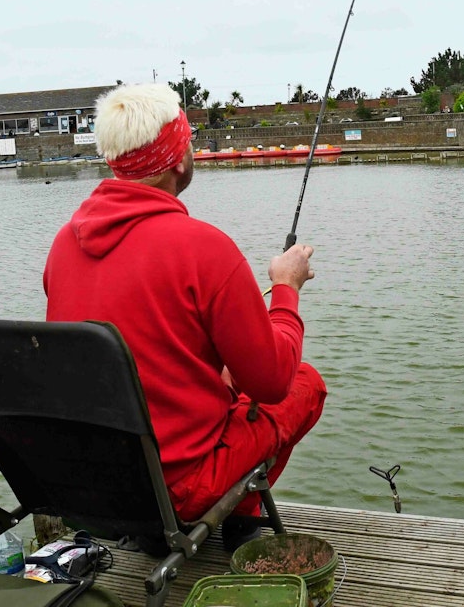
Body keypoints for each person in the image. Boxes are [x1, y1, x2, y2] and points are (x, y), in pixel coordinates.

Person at [43, 82, 326, 551]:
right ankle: (237, 516)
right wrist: (286, 289)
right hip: (176, 488)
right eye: (190, 140)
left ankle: (198, 519)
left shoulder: (62, 246)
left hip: (97, 481)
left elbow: (139, 354)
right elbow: (274, 381)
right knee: (305, 384)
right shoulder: (205, 248)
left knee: (232, 380)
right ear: (178, 159)